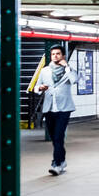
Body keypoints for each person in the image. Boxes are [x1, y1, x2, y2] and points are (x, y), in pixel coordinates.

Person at [34, 44, 77, 175]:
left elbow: (75, 80)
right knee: (55, 138)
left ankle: (56, 164)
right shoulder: (45, 71)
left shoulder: (69, 70)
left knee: (58, 137)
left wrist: (67, 67)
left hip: (64, 109)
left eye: (58, 54)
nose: (55, 56)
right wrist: (40, 88)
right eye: (53, 54)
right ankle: (62, 160)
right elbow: (35, 88)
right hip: (49, 108)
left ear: (63, 56)